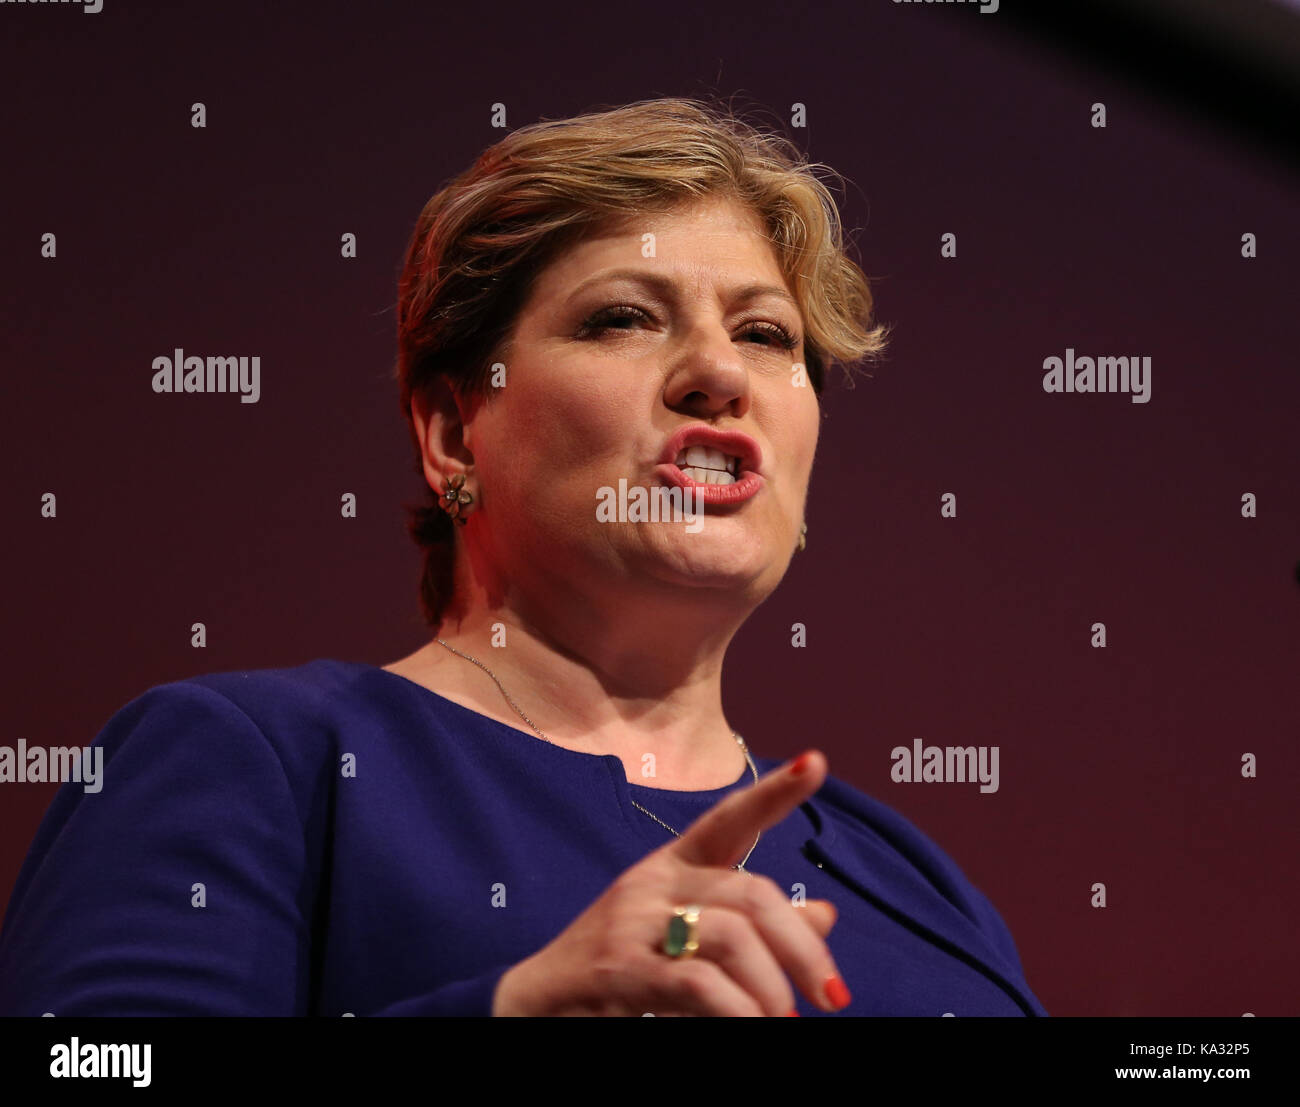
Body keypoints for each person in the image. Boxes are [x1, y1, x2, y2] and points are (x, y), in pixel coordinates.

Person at [0, 97, 1045, 1017]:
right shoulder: (260, 763)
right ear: (456, 435)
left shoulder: (913, 882)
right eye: (623, 318)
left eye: (767, 336)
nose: (719, 371)